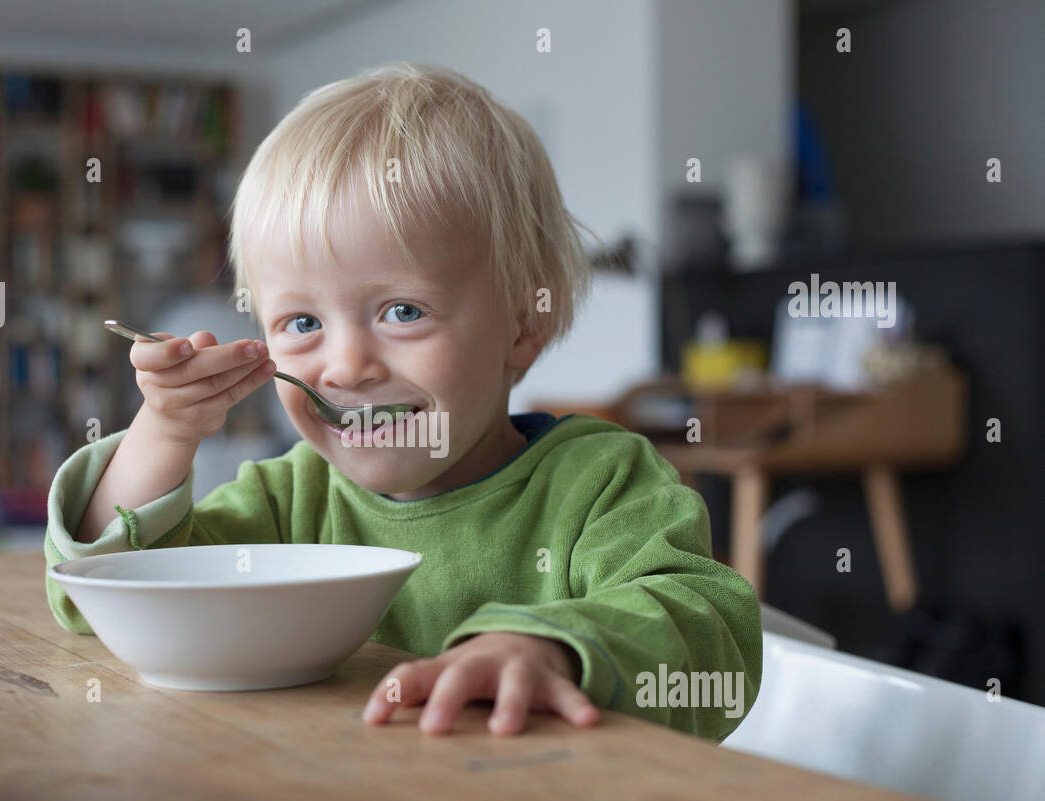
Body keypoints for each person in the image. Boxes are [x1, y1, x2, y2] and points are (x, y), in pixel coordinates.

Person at [45, 61, 761, 739]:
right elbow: (94, 597)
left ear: (523, 323)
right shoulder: (290, 501)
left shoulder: (599, 485)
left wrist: (552, 650)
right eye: (302, 324)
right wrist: (164, 432)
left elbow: (714, 637)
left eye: (403, 312)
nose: (347, 367)